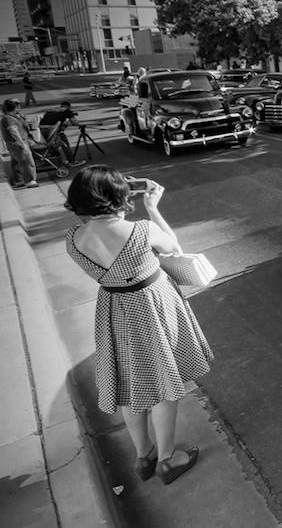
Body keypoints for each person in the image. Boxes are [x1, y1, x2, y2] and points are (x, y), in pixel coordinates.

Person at [64, 165, 212, 485]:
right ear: (118, 195)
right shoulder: (141, 230)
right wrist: (153, 207)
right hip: (150, 307)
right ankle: (168, 460)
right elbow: (172, 247)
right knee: (164, 386)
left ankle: (143, 456)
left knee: (132, 389)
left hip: (113, 309)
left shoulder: (74, 239)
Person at [1, 98, 38, 187]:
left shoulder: (16, 116)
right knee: (27, 162)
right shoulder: (8, 118)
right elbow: (14, 132)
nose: (20, 107)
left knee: (17, 162)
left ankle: (19, 180)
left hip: (17, 142)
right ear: (16, 107)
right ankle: (30, 181)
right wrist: (22, 144)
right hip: (17, 143)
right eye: (19, 105)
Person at [39, 101, 86, 167]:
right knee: (64, 143)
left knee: (50, 145)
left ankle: (53, 160)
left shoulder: (52, 110)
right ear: (68, 106)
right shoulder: (67, 111)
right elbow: (75, 123)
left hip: (42, 129)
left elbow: (54, 120)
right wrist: (72, 119)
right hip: (52, 129)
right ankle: (71, 162)